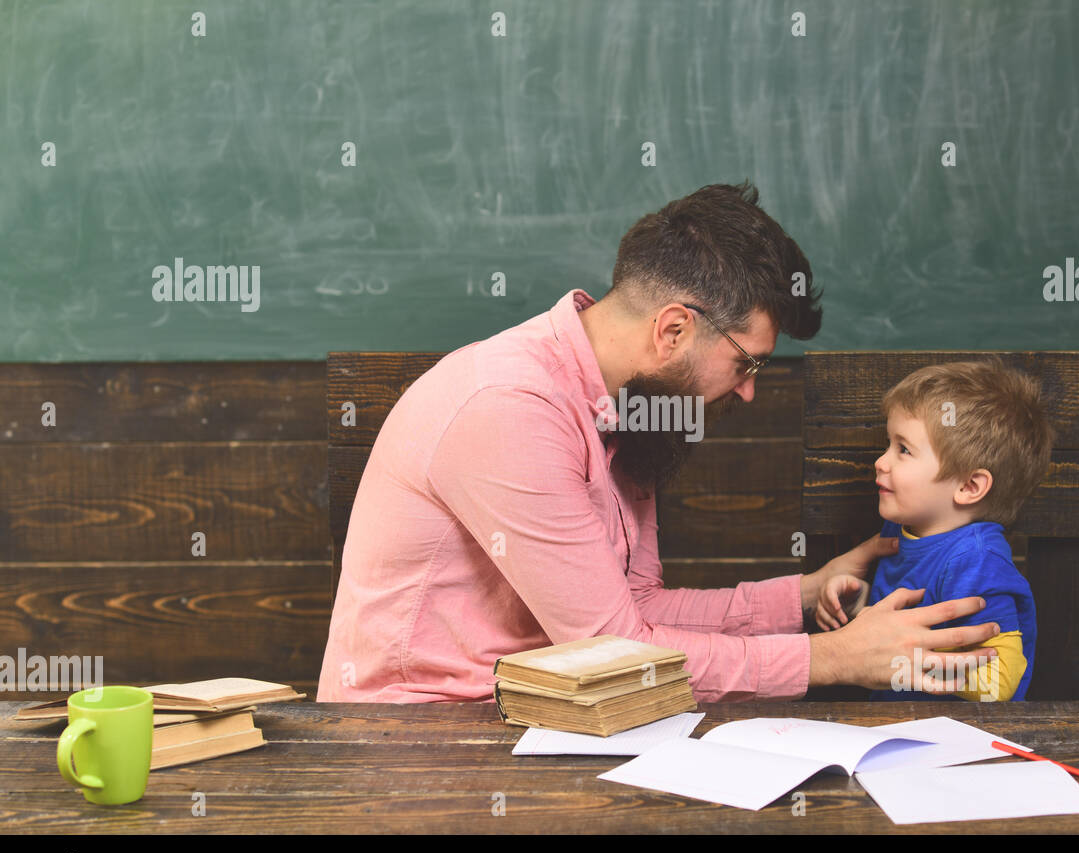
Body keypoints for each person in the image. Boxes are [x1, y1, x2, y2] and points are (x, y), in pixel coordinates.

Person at [317, 181, 1000, 704]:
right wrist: (835, 659)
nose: (750, 389)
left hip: (537, 724)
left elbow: (631, 610)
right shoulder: (509, 410)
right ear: (673, 330)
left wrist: (799, 595)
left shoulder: (637, 410)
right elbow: (617, 651)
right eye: (749, 362)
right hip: (412, 743)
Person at [816, 359, 1055, 701]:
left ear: (970, 486)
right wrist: (858, 608)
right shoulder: (903, 531)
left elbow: (1000, 681)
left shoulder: (975, 561)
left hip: (955, 745)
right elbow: (905, 621)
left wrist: (902, 659)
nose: (881, 462)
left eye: (903, 450)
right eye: (888, 444)